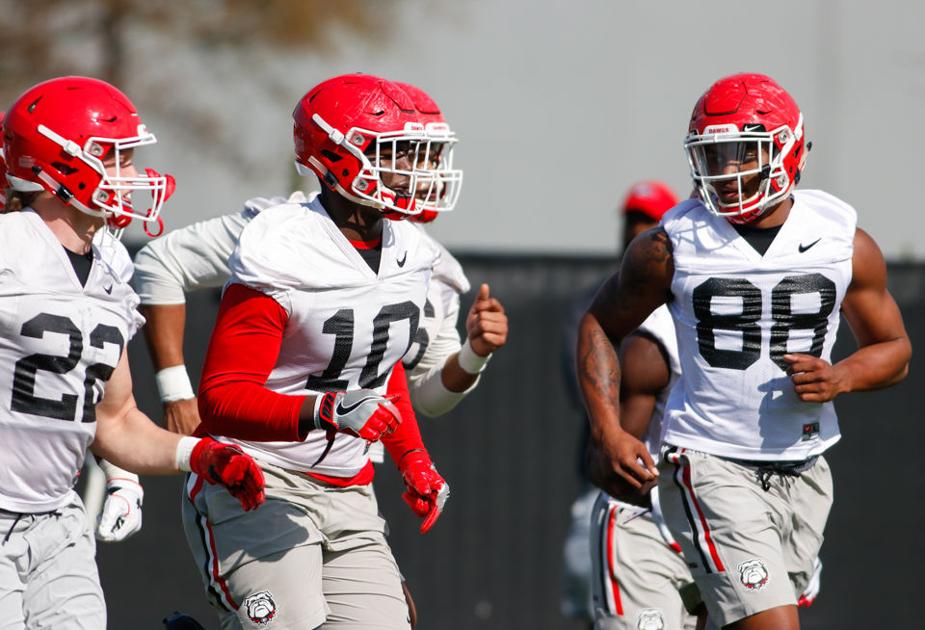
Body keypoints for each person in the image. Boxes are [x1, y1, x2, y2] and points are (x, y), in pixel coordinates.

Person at [577, 72, 911, 630]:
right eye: (714, 156)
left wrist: (843, 376)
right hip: (709, 462)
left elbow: (895, 349)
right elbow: (598, 324)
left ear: (790, 150)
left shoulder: (842, 240)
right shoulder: (671, 244)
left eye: (742, 153)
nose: (727, 174)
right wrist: (607, 430)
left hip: (803, 466)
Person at [181, 72, 485, 629]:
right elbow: (221, 400)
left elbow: (376, 365)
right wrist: (323, 412)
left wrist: (412, 459)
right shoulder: (283, 244)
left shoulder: (411, 250)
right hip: (258, 479)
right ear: (340, 156)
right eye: (399, 153)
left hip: (348, 490)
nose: (416, 171)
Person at [0, 75, 265, 629]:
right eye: (114, 158)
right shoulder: (9, 248)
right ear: (57, 167)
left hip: (55, 516)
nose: (132, 176)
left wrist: (202, 455)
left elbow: (115, 420)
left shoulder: (113, 265)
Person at [560, 181, 678, 626]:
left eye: (649, 222)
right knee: (591, 598)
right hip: (617, 476)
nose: (637, 231)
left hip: (697, 475)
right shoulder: (596, 302)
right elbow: (583, 384)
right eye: (631, 221)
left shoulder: (692, 300)